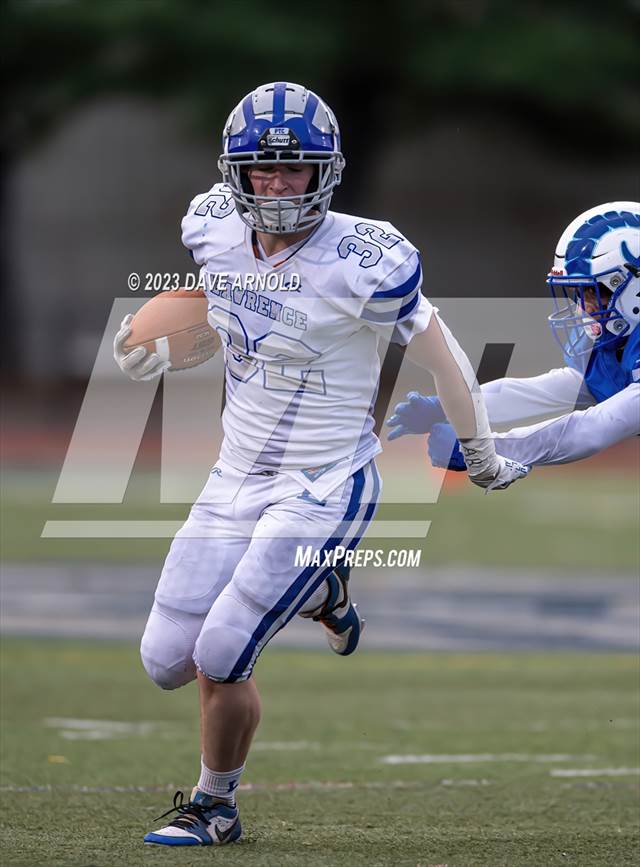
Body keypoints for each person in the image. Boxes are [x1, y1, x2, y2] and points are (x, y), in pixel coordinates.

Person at [113, 81, 529, 848]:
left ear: (326, 171)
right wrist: (164, 337)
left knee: (222, 650)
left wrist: (481, 452)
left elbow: (443, 359)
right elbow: (221, 296)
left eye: (294, 168)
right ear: (235, 172)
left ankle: (215, 804)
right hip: (235, 476)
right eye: (262, 169)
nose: (276, 185)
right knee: (165, 660)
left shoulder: (364, 258)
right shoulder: (213, 224)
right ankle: (322, 587)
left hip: (326, 484)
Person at [387, 202, 640, 470]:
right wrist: (452, 405)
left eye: (597, 292)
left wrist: (481, 450)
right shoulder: (618, 341)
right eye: (580, 293)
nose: (585, 307)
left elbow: (592, 430)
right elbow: (557, 387)